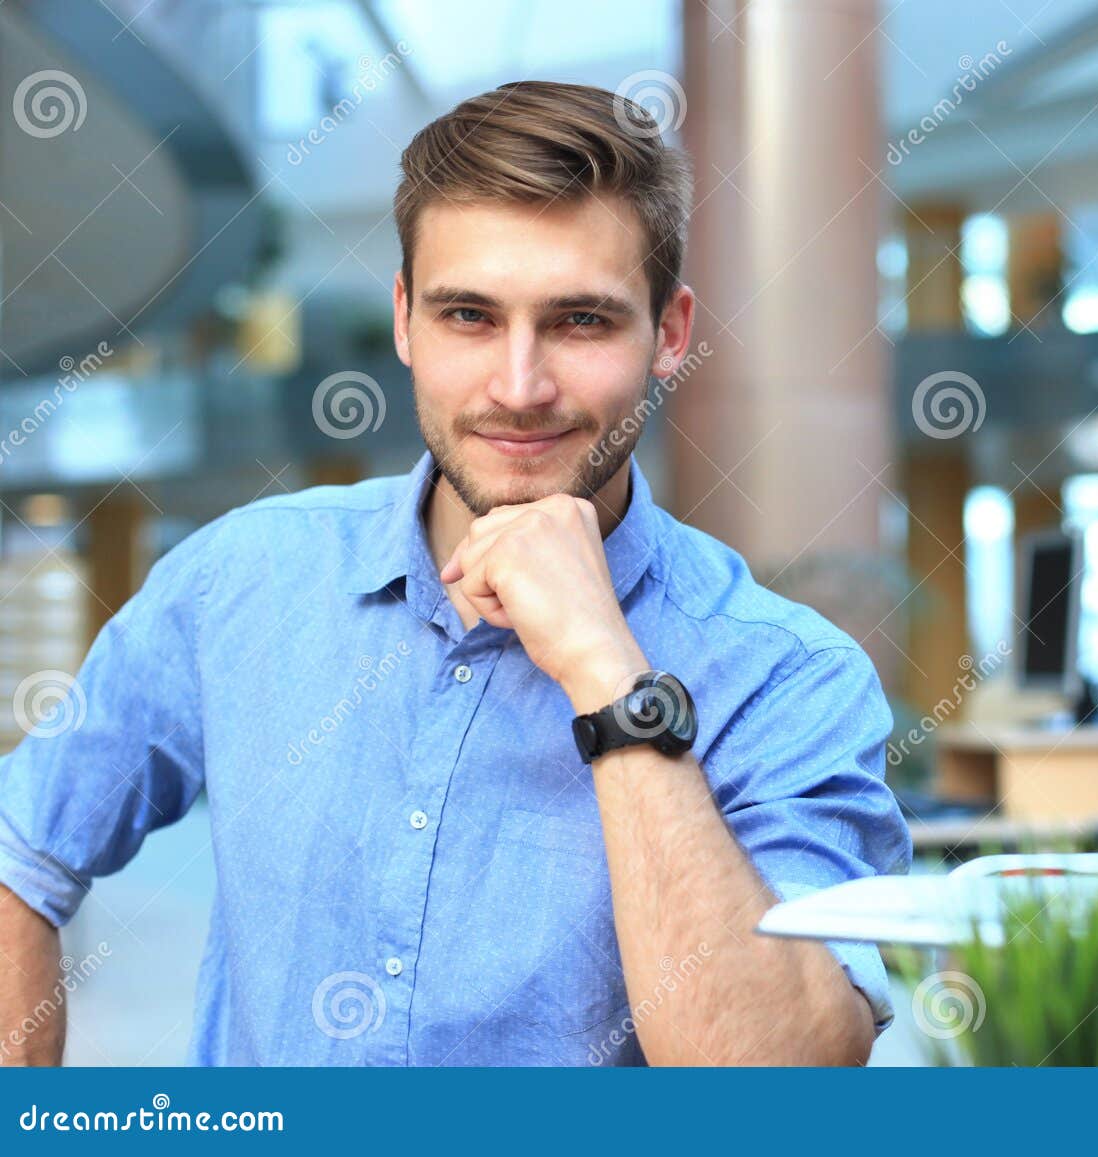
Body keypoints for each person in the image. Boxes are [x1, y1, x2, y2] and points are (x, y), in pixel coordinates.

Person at [0, 80, 910, 1066]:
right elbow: (20, 855)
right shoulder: (236, 579)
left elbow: (777, 1079)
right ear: (404, 320)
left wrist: (608, 675)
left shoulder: (789, 674)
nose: (518, 388)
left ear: (671, 333)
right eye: (469, 315)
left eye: (581, 321)